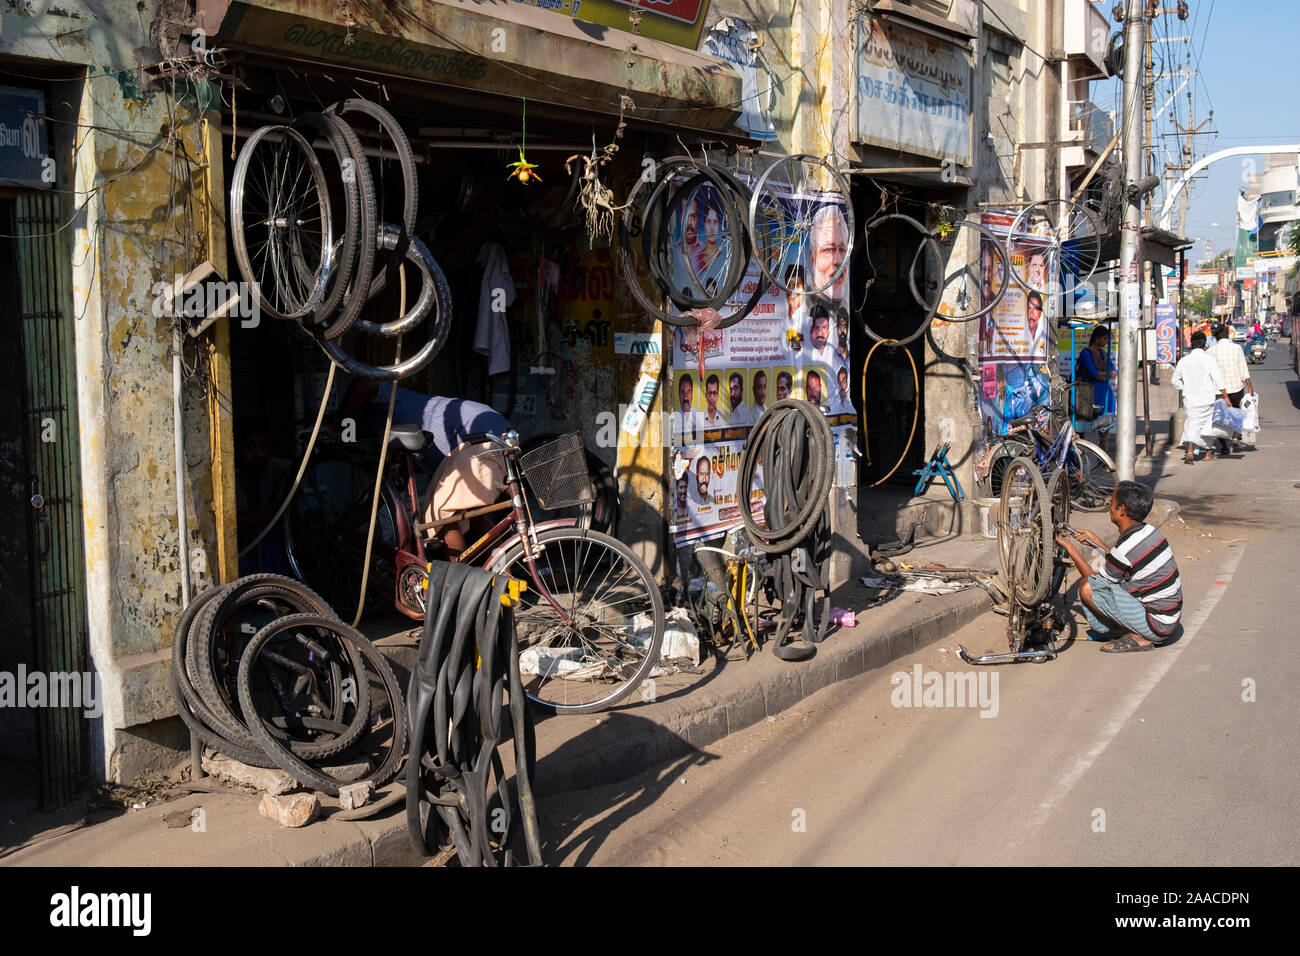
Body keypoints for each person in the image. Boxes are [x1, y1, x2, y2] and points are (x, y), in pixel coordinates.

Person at [334, 378, 511, 555]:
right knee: (475, 514)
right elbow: (390, 486)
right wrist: (350, 523)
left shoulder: (392, 401)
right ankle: (504, 571)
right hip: (498, 433)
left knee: (442, 516)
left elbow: (365, 383)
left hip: (478, 436)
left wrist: (339, 421)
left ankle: (456, 581)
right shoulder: (407, 435)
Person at [1055, 481, 1182, 652]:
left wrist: (1071, 549)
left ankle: (1138, 636)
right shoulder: (1148, 532)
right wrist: (1095, 542)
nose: (1110, 507)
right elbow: (1121, 562)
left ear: (1121, 510)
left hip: (1157, 626)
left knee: (1086, 589)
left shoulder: (1126, 548)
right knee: (1103, 586)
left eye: (1112, 504)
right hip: (1169, 619)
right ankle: (1131, 628)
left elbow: (1094, 582)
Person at [1170, 330, 1230, 463]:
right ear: (1204, 345)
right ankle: (1208, 454)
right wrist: (1225, 396)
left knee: (1191, 424)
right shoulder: (1209, 360)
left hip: (1190, 400)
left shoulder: (1184, 361)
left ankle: (1190, 451)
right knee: (1207, 426)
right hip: (1206, 399)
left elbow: (1174, 380)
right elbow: (1218, 379)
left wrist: (1185, 388)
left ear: (1191, 344)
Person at [1209, 323, 1253, 454]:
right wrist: (1250, 387)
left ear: (1215, 337)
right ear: (1228, 335)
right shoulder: (1237, 348)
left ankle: (1224, 446)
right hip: (1236, 388)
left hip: (1218, 391)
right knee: (1236, 413)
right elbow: (1243, 369)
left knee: (1220, 418)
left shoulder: (1211, 351)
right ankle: (1235, 437)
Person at [1075, 324, 1116, 420]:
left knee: (1106, 422)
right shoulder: (1086, 353)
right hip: (1090, 392)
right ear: (1097, 339)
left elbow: (1114, 371)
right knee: (1085, 421)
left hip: (1105, 391)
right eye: (1105, 339)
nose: (1107, 342)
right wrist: (1107, 374)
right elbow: (1095, 374)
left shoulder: (1103, 354)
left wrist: (1103, 374)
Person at [809, 205, 849, 300]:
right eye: (829, 250)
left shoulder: (845, 306)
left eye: (842, 249)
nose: (838, 261)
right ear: (813, 259)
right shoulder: (804, 307)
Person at [673, 374, 702, 444]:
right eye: (683, 392)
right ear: (679, 394)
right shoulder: (673, 419)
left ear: (692, 394)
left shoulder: (699, 416)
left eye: (688, 392)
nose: (685, 397)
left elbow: (702, 445)